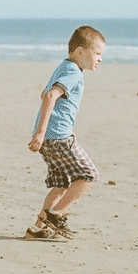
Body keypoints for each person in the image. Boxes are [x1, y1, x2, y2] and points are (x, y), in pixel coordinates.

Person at [25, 25, 105, 240]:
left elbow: (45, 94)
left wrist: (41, 133)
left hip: (49, 139)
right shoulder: (73, 72)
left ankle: (37, 230)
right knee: (89, 175)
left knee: (61, 185)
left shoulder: (63, 66)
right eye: (97, 53)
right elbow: (50, 96)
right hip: (58, 137)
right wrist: (42, 132)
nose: (100, 58)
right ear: (80, 52)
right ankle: (56, 215)